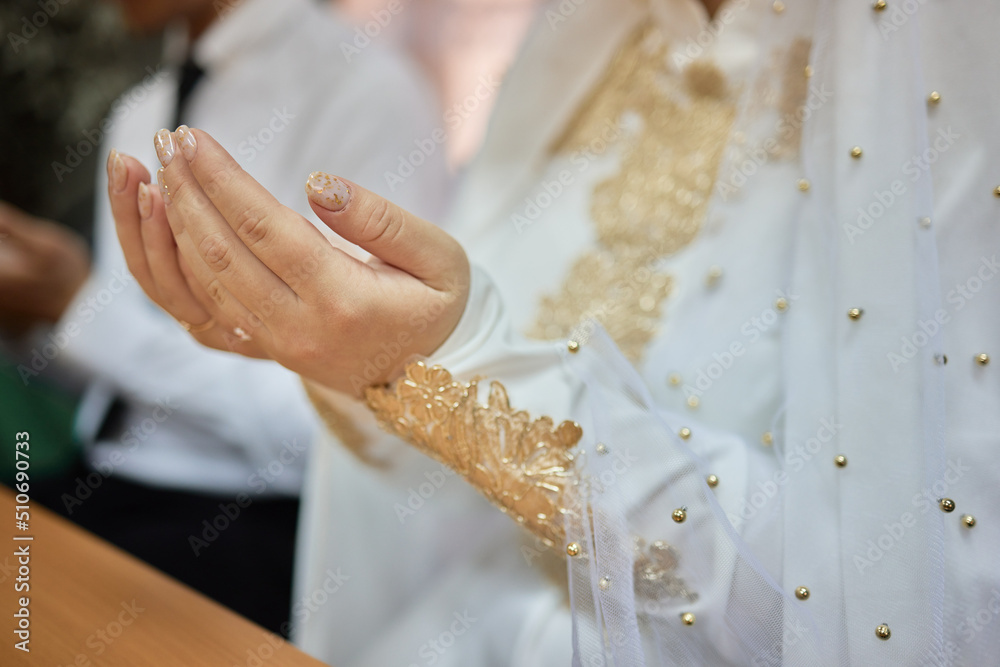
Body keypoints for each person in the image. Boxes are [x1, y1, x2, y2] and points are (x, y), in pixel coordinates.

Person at [107, 0, 1000, 663]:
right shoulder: (600, 39)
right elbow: (451, 489)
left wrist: (453, 373)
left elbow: (892, 615)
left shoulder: (937, 70)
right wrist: (353, 364)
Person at [1, 0, 447, 636]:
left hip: (244, 520)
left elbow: (337, 430)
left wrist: (81, 311)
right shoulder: (141, 109)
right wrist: (35, 317)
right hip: (99, 479)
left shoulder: (369, 97)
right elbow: (126, 383)